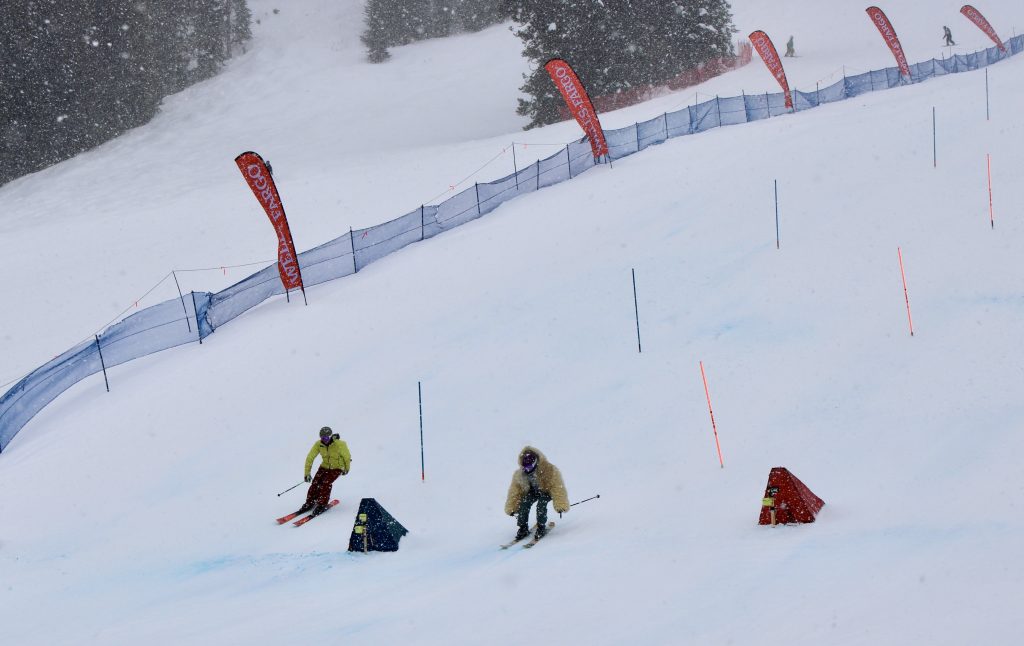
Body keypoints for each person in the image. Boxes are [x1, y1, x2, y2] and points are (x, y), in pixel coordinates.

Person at [504, 446, 569, 541]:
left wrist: (560, 505)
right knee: (524, 503)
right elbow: (514, 492)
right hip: (532, 492)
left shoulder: (549, 470)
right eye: (525, 467)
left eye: (530, 467)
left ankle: (541, 526)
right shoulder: (519, 475)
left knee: (541, 504)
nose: (528, 469)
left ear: (535, 463)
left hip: (546, 491)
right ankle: (523, 527)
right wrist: (512, 508)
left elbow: (558, 488)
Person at [300, 426, 351, 514]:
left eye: (327, 437)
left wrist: (346, 469)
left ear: (331, 436)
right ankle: (310, 502)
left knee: (325, 483)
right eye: (322, 438)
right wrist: (307, 473)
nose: (325, 440)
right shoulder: (318, 444)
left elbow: (347, 457)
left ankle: (322, 504)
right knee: (315, 482)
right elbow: (310, 458)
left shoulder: (340, 444)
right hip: (325, 466)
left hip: (337, 467)